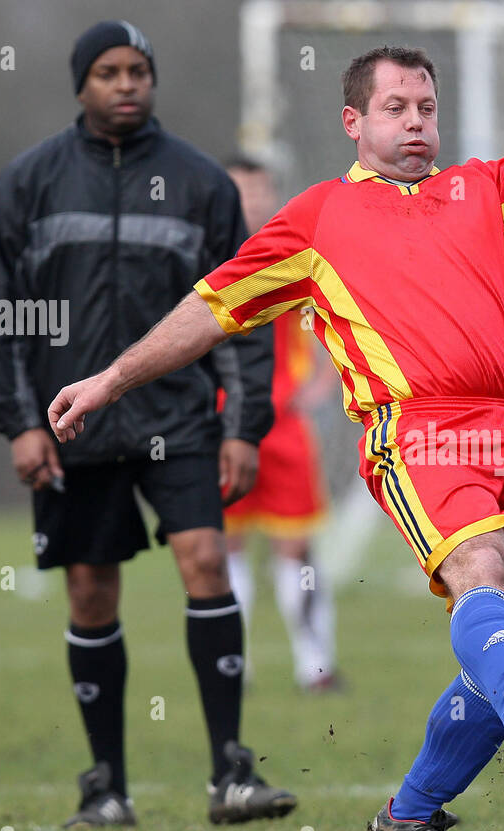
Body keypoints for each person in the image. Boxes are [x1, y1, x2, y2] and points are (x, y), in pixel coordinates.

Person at [48, 21, 504, 831]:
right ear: (354, 121)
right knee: (481, 578)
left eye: (426, 106)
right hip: (416, 431)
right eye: (396, 107)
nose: (417, 121)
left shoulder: (488, 189)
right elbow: (209, 309)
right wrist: (109, 379)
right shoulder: (318, 217)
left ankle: (410, 813)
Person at [0, 20, 295, 828]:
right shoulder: (26, 183)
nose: (126, 84)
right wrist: (19, 422)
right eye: (109, 72)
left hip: (178, 418)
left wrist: (242, 426)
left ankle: (231, 773)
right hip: (70, 424)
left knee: (207, 562)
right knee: (89, 590)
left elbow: (242, 312)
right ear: (81, 83)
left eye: (138, 71)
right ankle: (106, 787)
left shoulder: (201, 183)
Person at [221, 156, 343, 692]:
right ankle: (229, 666)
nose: (252, 200)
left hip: (283, 424)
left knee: (296, 546)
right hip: (221, 425)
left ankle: (315, 666)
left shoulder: (293, 251)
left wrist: (322, 383)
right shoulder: (202, 256)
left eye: (260, 189)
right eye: (240, 190)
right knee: (224, 546)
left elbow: (326, 318)